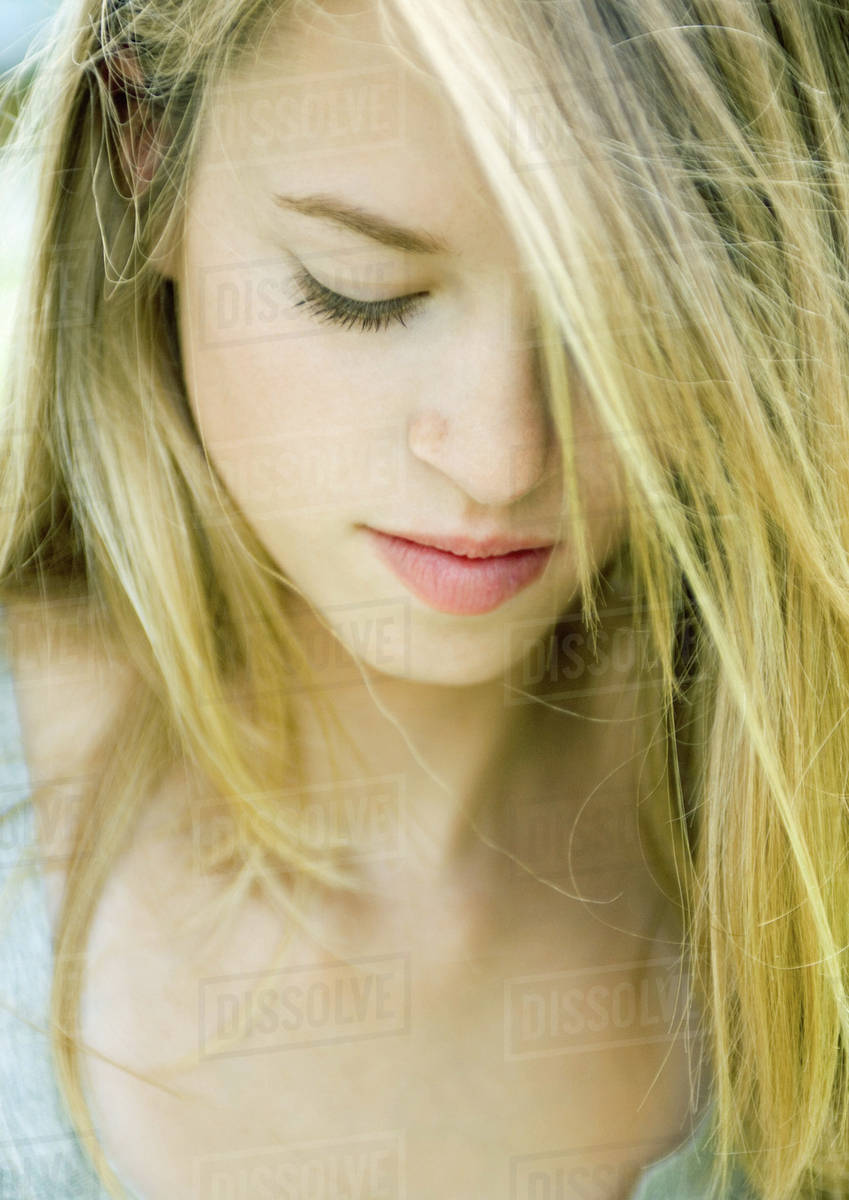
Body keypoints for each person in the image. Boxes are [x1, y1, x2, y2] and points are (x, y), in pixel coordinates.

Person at [0, 0, 846, 1196]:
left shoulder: (805, 836)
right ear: (144, 137)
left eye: (624, 319)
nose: (502, 462)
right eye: (363, 292)